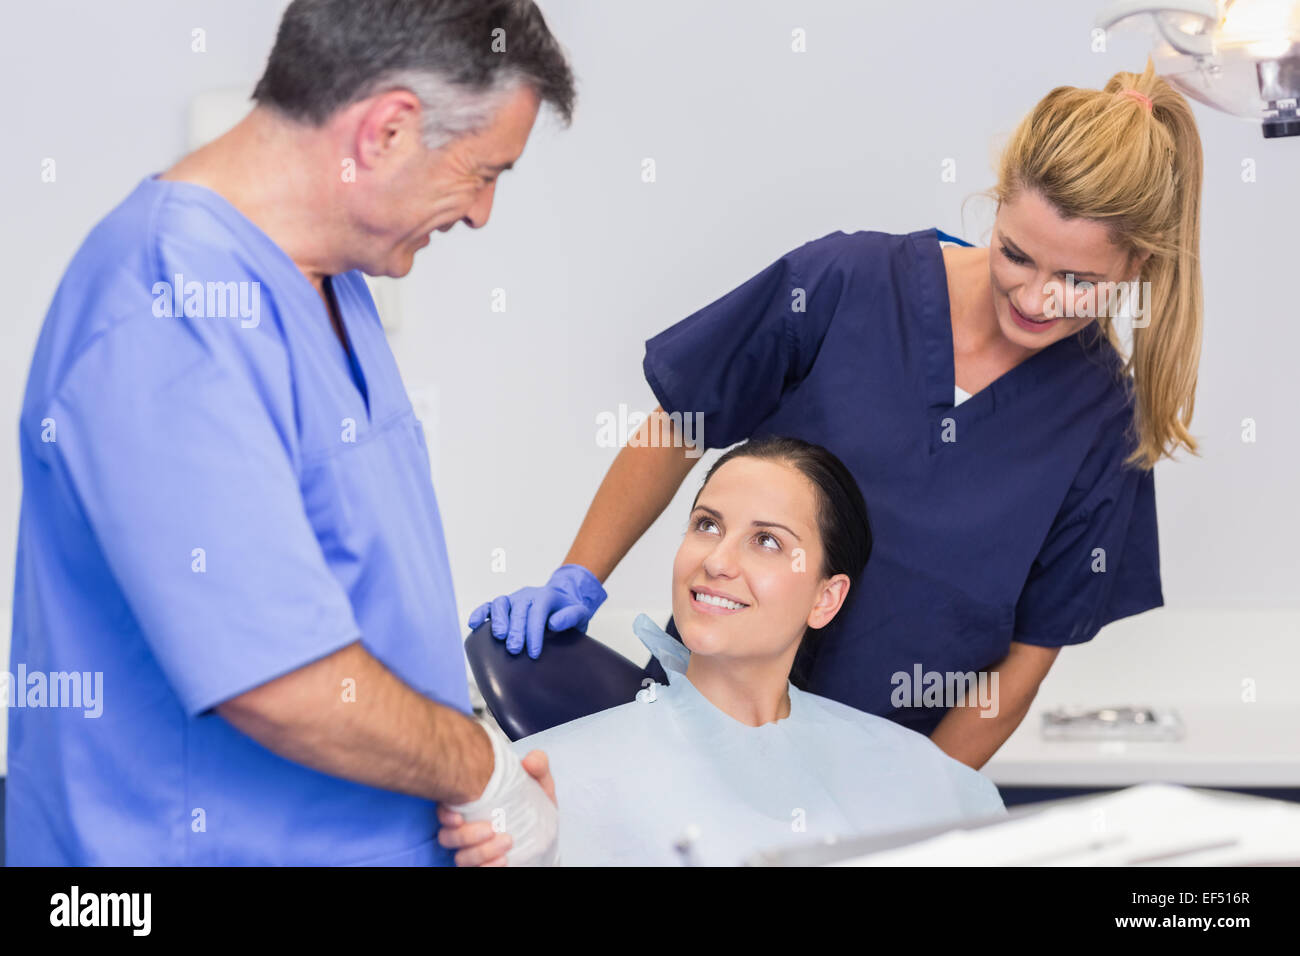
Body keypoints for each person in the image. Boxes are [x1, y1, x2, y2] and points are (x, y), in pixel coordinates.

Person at [470, 59, 1203, 770]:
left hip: (883, 770)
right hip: (696, 743)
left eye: (1078, 281)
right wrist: (578, 576)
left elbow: (1024, 661)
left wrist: (912, 810)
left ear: (1136, 267)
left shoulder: (1102, 423)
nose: (1036, 298)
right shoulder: (845, 284)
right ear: (998, 200)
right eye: (1016, 254)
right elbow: (681, 422)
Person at [6, 0, 575, 866]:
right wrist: (480, 769)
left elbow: (367, 598)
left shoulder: (334, 278)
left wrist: (466, 762)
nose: (482, 213)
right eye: (482, 172)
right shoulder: (168, 307)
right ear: (386, 130)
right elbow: (279, 680)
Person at [441, 438, 1007, 866]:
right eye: (707, 525)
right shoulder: (550, 780)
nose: (717, 561)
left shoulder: (912, 772)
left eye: (767, 541)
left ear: (825, 599)